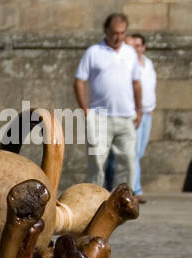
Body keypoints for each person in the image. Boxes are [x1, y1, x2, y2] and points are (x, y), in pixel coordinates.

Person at [74, 13, 141, 192]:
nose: (118, 37)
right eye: (114, 33)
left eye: (122, 33)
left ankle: (123, 199)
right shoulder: (93, 52)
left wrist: (139, 110)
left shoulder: (130, 53)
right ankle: (93, 198)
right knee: (96, 161)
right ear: (106, 30)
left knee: (127, 160)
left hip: (126, 116)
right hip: (99, 116)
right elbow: (79, 80)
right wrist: (84, 108)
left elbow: (136, 83)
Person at [127, 31, 154, 201]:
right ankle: (135, 189)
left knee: (140, 152)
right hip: (134, 113)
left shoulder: (148, 64)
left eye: (138, 45)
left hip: (147, 113)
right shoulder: (128, 64)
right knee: (133, 152)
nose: (135, 49)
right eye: (132, 46)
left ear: (143, 47)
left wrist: (150, 110)